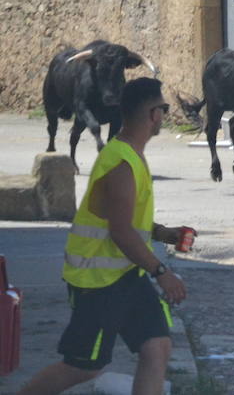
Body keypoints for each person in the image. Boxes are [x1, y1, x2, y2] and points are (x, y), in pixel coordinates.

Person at [18, 78, 191, 395]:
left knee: (157, 348)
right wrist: (162, 272)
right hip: (97, 281)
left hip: (127, 274)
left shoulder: (131, 155)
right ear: (153, 114)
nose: (164, 116)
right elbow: (121, 231)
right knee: (83, 366)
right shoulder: (121, 162)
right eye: (164, 109)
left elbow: (126, 219)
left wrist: (162, 233)